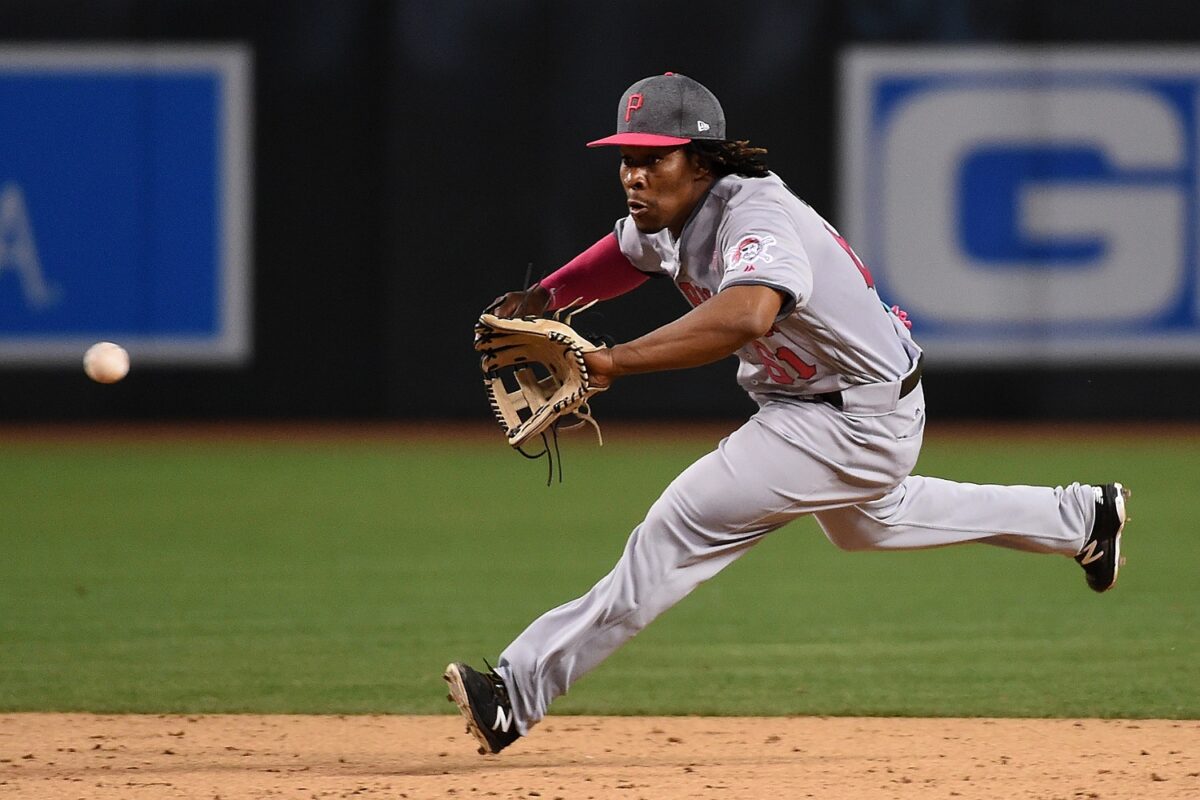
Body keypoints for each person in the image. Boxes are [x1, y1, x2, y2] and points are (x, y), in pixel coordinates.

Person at [443, 72, 1130, 756]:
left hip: (851, 417)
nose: (635, 175)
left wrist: (612, 363)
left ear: (702, 162)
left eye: (655, 157)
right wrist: (546, 294)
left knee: (678, 526)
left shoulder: (753, 214)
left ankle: (515, 692)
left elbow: (747, 314)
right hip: (833, 403)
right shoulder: (673, 213)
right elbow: (625, 252)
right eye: (628, 158)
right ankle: (1081, 518)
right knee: (867, 525)